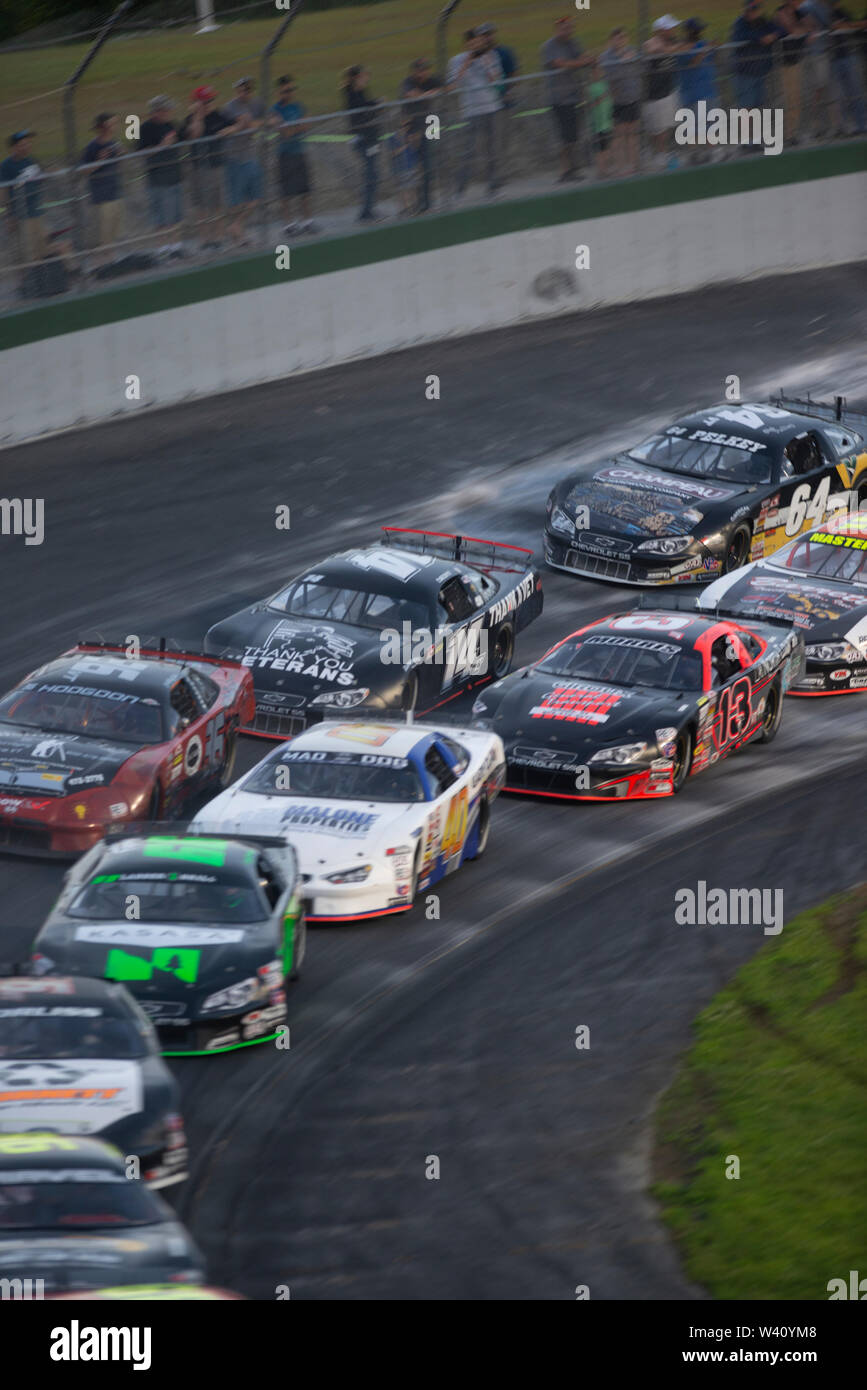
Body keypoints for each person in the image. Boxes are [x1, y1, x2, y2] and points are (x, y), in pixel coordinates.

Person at [446, 27, 504, 197]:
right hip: (471, 110)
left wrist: (487, 65)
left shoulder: (492, 56)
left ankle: (493, 185)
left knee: (492, 149)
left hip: (491, 107)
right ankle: (460, 186)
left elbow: (497, 82)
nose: (477, 46)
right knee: (468, 150)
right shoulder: (456, 60)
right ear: (467, 44)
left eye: (480, 42)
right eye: (473, 43)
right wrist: (467, 63)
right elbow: (453, 85)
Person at [180, 86, 235, 248]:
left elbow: (236, 125)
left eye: (211, 100)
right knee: (201, 205)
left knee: (217, 203)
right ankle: (205, 238)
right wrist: (198, 115)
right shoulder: (190, 119)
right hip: (198, 168)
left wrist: (230, 130)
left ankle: (217, 236)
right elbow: (194, 134)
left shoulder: (218, 115)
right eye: (206, 101)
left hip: (216, 166)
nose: (210, 104)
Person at [541, 15, 594, 181]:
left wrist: (584, 60)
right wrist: (579, 62)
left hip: (574, 96)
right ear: (557, 29)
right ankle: (565, 170)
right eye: (564, 28)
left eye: (570, 28)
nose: (568, 31)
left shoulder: (573, 43)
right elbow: (559, 63)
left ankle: (573, 169)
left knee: (574, 136)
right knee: (563, 137)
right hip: (558, 98)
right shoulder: (549, 46)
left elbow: (585, 57)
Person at [269, 75, 318, 233]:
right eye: (286, 90)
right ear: (279, 92)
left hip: (300, 151)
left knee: (305, 190)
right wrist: (297, 127)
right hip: (285, 154)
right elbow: (286, 132)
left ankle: (307, 221)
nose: (289, 93)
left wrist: (294, 127)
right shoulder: (275, 110)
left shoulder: (298, 106)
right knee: (286, 192)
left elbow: (307, 125)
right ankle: (288, 224)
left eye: (291, 90)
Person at [221, 76, 266, 246]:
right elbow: (229, 128)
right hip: (234, 156)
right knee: (236, 198)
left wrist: (252, 124)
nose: (243, 93)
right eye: (240, 90)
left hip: (250, 155)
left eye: (246, 90)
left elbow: (270, 119)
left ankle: (236, 225)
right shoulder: (230, 107)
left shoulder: (256, 104)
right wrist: (242, 126)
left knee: (255, 197)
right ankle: (238, 234)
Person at [398, 58, 444, 213]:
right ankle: (414, 202)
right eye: (421, 70)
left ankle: (427, 201)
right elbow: (411, 94)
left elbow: (444, 88)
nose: (424, 73)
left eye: (426, 69)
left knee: (430, 162)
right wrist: (428, 94)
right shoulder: (408, 82)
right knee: (414, 166)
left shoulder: (433, 79)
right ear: (415, 71)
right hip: (413, 126)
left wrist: (428, 94)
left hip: (432, 122)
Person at [79, 113, 123, 261]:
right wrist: (99, 161)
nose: (114, 127)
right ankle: (102, 263)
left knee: (112, 231)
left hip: (115, 192)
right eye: (112, 124)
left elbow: (119, 161)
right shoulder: (93, 146)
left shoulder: (113, 143)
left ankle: (111, 259)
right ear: (103, 127)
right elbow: (83, 170)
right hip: (101, 196)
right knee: (102, 234)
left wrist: (121, 154)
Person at [1, 130, 47, 264]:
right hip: (21, 215)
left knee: (41, 248)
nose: (27, 146)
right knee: (28, 252)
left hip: (37, 212)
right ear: (14, 148)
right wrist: (9, 215)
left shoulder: (31, 161)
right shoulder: (6, 166)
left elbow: (40, 180)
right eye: (23, 144)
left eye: (28, 143)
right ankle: (30, 281)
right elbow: (3, 192)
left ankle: (43, 278)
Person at [601, 28, 643, 175]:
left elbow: (639, 68)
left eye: (623, 37)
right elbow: (609, 76)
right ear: (612, 40)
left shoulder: (632, 51)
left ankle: (633, 164)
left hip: (633, 97)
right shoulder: (606, 57)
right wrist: (622, 62)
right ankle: (620, 165)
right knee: (619, 136)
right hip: (617, 101)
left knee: (633, 133)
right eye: (618, 38)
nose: (621, 41)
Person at [138, 95, 183, 234]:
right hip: (157, 178)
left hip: (174, 175)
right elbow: (141, 153)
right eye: (166, 110)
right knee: (160, 214)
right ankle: (162, 247)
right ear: (157, 111)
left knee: (175, 212)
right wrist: (163, 145)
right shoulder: (145, 128)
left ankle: (175, 246)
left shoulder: (171, 124)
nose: (170, 112)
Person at [343, 66, 382, 222]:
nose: (367, 78)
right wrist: (375, 105)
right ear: (357, 77)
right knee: (370, 174)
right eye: (365, 75)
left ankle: (369, 208)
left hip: (371, 138)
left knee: (373, 174)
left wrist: (375, 104)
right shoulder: (352, 93)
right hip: (363, 139)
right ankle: (366, 211)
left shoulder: (362, 92)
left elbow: (369, 106)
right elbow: (363, 108)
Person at [643, 16, 683, 168]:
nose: (673, 30)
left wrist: (672, 47)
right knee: (655, 128)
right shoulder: (651, 42)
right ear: (661, 30)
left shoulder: (673, 41)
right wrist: (669, 49)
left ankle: (663, 154)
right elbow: (652, 49)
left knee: (666, 127)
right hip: (654, 93)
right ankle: (657, 154)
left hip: (668, 91)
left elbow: (681, 46)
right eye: (670, 28)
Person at [729, 0, 780, 111]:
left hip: (760, 72)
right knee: (745, 109)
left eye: (756, 9)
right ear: (745, 10)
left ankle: (754, 129)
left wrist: (773, 35)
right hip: (744, 73)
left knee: (757, 107)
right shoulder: (740, 23)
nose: (753, 12)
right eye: (751, 9)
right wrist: (760, 38)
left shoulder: (763, 21)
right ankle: (745, 129)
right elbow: (738, 37)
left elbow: (780, 30)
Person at [773, 3, 809, 142]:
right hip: (784, 63)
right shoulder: (780, 11)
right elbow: (792, 30)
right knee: (788, 98)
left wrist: (801, 29)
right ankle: (787, 134)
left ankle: (792, 133)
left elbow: (810, 28)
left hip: (796, 60)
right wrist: (800, 29)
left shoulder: (799, 12)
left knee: (796, 98)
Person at [587, 58, 615, 178]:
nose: (597, 74)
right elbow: (591, 104)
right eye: (594, 72)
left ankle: (606, 169)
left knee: (607, 146)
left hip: (607, 121)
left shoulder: (605, 84)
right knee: (599, 148)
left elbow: (610, 98)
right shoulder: (590, 88)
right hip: (597, 123)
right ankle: (601, 170)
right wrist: (602, 97)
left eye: (599, 71)